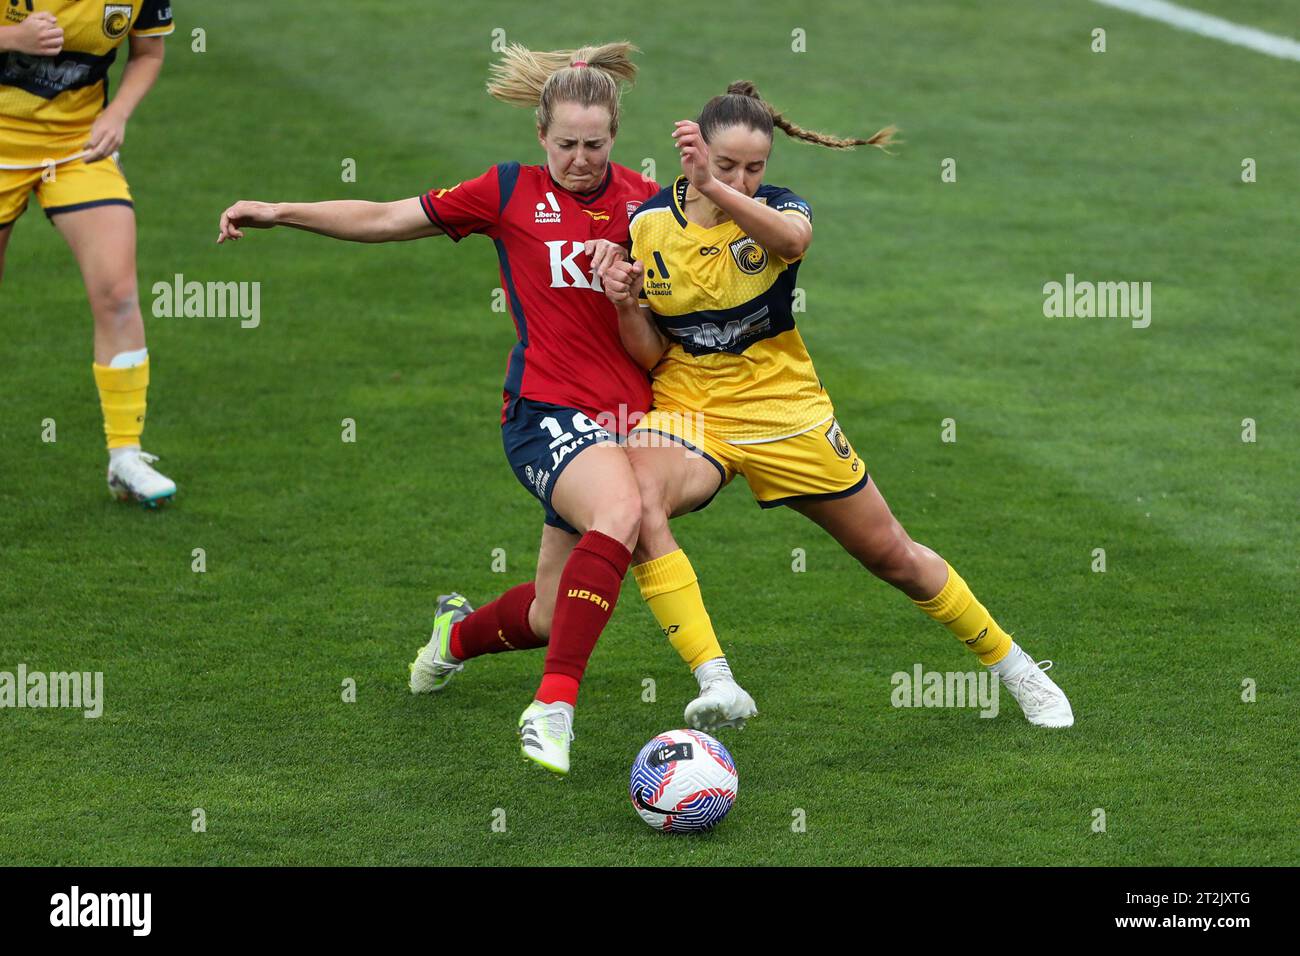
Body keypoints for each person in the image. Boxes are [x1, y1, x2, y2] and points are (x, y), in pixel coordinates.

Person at [218, 42, 700, 774]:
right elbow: (385, 217)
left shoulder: (649, 206)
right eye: (565, 144)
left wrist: (630, 298)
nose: (579, 158)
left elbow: (661, 346)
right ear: (541, 136)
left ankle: (453, 637)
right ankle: (553, 707)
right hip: (544, 413)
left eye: (594, 145)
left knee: (549, 612)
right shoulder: (506, 192)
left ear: (616, 137)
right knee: (622, 515)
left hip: (628, 423)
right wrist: (280, 211)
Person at [600, 82, 1075, 728]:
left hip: (786, 415)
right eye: (727, 162)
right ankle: (717, 681)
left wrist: (718, 189)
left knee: (893, 557)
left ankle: (1016, 667)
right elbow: (653, 355)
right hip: (692, 412)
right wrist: (625, 303)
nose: (743, 175)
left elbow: (791, 244)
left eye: (754, 166)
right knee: (633, 501)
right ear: (699, 151)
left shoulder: (779, 210)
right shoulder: (649, 225)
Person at [1, 1, 177, 505]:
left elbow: (148, 52)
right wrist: (11, 39)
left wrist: (117, 115)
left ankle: (125, 456)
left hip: (79, 147)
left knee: (118, 292)